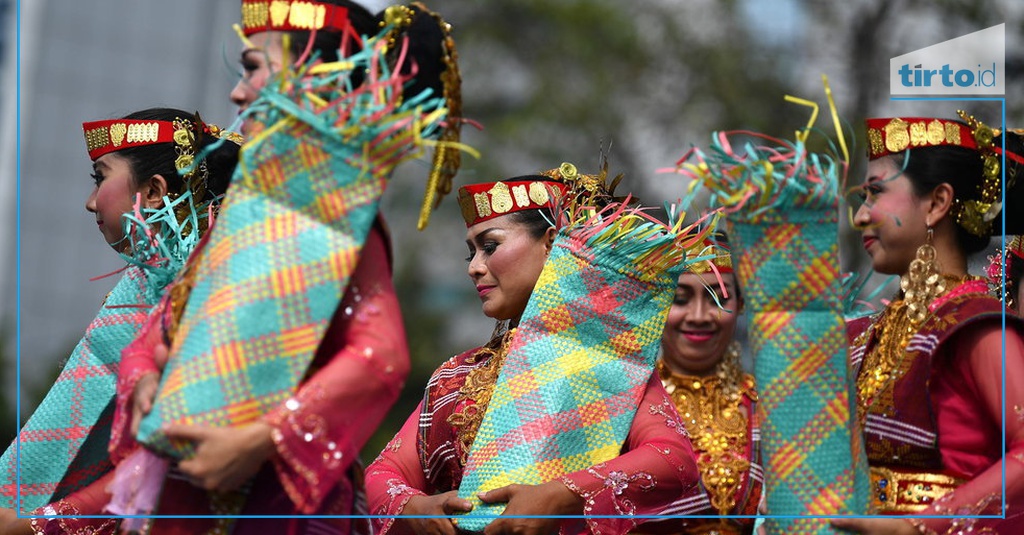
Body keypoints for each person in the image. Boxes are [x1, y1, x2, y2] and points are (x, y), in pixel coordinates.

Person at [96, 2, 464, 534]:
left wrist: (261, 437)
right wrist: (148, 380)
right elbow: (154, 336)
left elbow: (380, 356)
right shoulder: (243, 216)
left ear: (313, 79)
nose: (237, 92)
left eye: (251, 67)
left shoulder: (340, 222)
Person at [365, 169, 700, 535]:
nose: (475, 268)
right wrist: (417, 509)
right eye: (470, 254)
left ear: (552, 244)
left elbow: (674, 459)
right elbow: (381, 474)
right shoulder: (456, 375)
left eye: (490, 246)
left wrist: (560, 495)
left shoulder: (613, 363)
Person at [0, 107, 241, 533]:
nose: (90, 201)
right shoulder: (155, 275)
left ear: (153, 191)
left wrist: (36, 526)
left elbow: (167, 459)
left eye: (99, 178)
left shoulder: (206, 290)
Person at [829, 113, 1024, 534]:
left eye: (875, 193)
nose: (860, 216)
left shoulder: (978, 327)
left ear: (937, 202)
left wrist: (919, 526)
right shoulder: (864, 334)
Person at [638, 233, 762, 535]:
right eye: (680, 299)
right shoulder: (629, 402)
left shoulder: (769, 405)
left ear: (742, 303)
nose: (698, 316)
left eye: (718, 299)